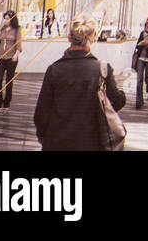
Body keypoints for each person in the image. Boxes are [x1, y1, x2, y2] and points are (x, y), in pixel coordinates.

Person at [33, 12, 126, 151]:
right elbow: (117, 102)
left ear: (69, 37)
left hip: (56, 142)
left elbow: (41, 113)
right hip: (91, 143)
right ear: (93, 37)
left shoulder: (54, 69)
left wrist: (44, 137)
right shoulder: (102, 69)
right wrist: (123, 91)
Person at [0, 11, 22, 111]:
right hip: (1, 57)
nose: (6, 20)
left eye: (7, 18)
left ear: (12, 19)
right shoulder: (3, 28)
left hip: (11, 58)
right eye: (5, 18)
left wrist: (16, 55)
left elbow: (18, 43)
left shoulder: (17, 29)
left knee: (9, 81)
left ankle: (7, 103)